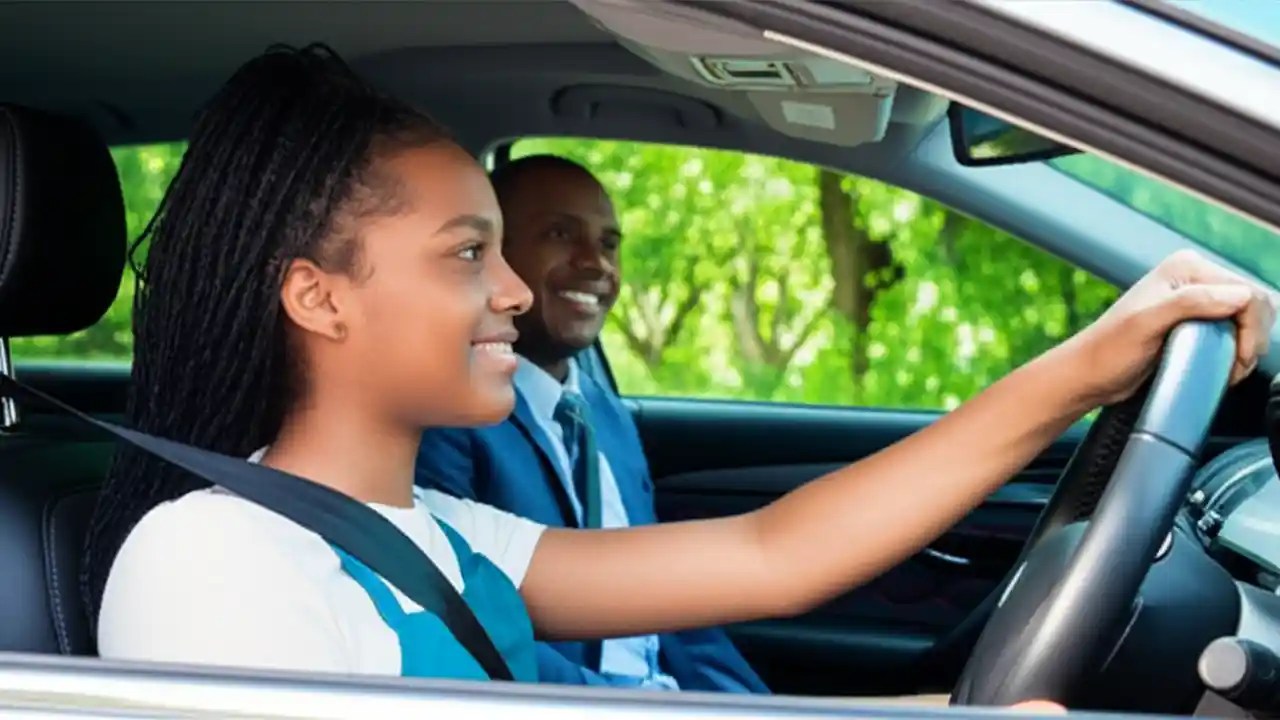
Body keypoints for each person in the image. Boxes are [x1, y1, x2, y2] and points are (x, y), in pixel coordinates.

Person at [83, 45, 1272, 708]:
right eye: (466, 255)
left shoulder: (441, 535)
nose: (512, 293)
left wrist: (1078, 371)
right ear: (318, 296)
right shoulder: (213, 557)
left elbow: (775, 555)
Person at [414, 155, 767, 692]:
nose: (595, 264)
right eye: (560, 233)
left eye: (608, 244)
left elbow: (667, 604)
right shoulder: (447, 419)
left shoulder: (602, 412)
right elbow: (475, 629)